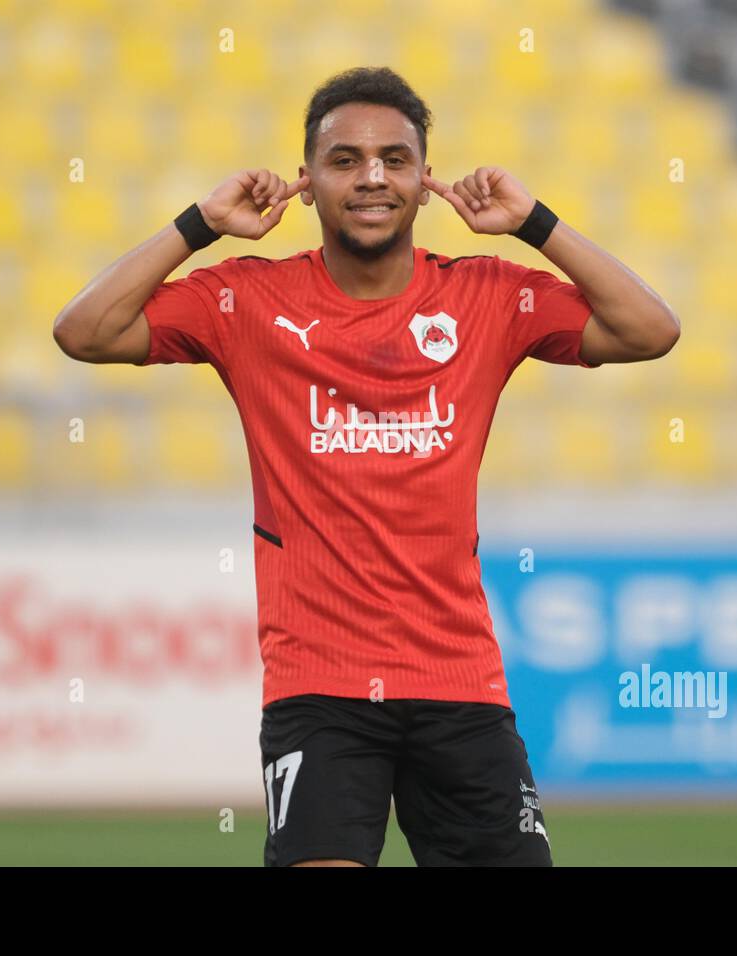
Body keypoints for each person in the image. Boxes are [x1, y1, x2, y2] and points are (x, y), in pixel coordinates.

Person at [53, 66, 679, 866]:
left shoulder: (487, 295)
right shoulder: (246, 302)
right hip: (319, 689)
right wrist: (199, 223)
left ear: (425, 183)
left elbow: (651, 330)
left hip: (459, 683)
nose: (372, 176)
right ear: (306, 182)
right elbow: (85, 332)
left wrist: (535, 224)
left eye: (396, 159)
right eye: (344, 160)